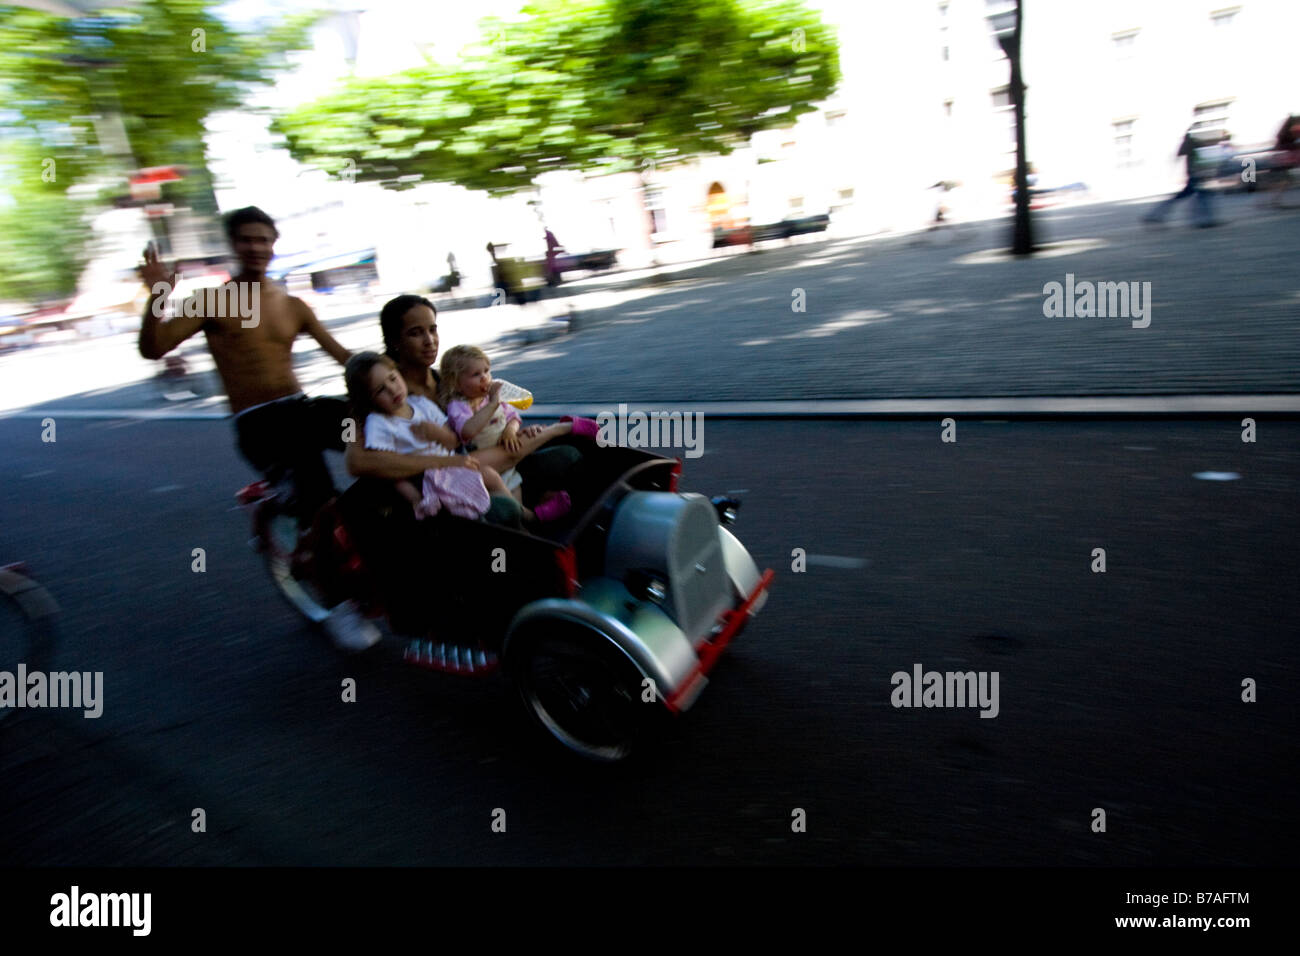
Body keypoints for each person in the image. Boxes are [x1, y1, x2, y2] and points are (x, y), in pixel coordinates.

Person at [138, 205, 380, 652]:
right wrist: (157, 296)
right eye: (245, 239)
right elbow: (153, 348)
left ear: (273, 246)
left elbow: (348, 360)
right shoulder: (211, 300)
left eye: (262, 239)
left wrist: (403, 382)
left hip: (301, 409)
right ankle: (341, 606)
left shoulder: (292, 305)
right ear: (232, 245)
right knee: (320, 502)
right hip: (260, 424)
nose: (255, 247)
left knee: (380, 427)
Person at [344, 296, 586, 523]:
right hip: (446, 483)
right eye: (415, 333)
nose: (429, 341)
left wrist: (510, 428)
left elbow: (490, 413)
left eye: (432, 329)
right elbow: (356, 463)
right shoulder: (383, 399)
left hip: (487, 461)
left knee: (568, 456)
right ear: (395, 341)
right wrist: (434, 463)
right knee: (508, 502)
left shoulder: (447, 382)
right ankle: (557, 437)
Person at [344, 351, 514, 521]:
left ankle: (521, 514)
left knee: (494, 473)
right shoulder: (367, 421)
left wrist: (438, 434)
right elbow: (361, 464)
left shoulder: (424, 397)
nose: (429, 341)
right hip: (429, 475)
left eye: (393, 379)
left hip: (455, 462)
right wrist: (416, 499)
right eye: (381, 389)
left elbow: (453, 441)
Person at [439, 344, 596, 523]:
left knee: (517, 493)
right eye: (476, 375)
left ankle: (537, 514)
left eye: (486, 371)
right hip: (486, 467)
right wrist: (492, 405)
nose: (485, 378)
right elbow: (467, 431)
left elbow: (513, 417)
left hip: (508, 461)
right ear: (456, 384)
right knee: (511, 507)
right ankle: (534, 518)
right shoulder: (459, 406)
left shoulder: (491, 399)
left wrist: (510, 430)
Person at [1142, 127, 1220, 228]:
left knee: (1195, 196)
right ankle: (1203, 220)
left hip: (1195, 174)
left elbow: (1181, 155)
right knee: (1202, 196)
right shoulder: (1192, 142)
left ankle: (1154, 215)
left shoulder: (1191, 142)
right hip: (1195, 175)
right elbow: (1185, 155)